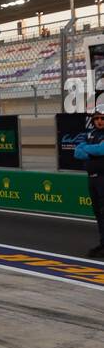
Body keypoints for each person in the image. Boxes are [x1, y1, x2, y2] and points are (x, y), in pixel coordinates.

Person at [73, 109, 104, 257]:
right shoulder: (89, 134)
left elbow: (102, 149)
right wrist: (91, 150)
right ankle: (102, 243)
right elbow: (77, 152)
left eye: (102, 118)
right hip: (92, 178)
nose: (99, 121)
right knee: (98, 213)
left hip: (103, 178)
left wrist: (88, 149)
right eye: (96, 118)